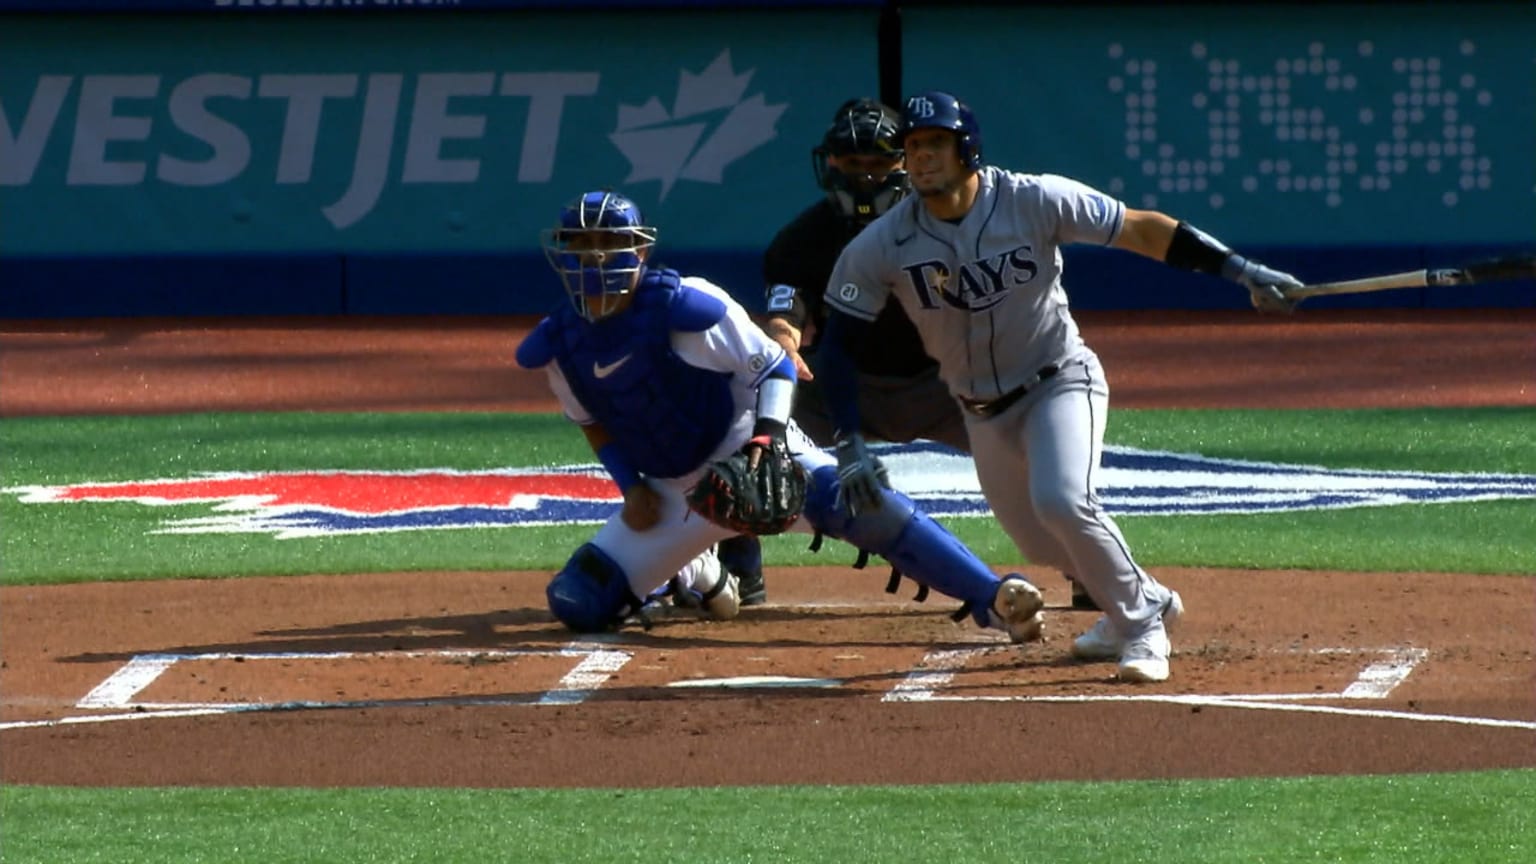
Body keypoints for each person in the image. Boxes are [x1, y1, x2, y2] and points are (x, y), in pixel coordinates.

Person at [816, 91, 1305, 683]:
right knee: (1042, 545)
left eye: (935, 144)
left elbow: (1142, 230)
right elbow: (838, 346)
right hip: (979, 410)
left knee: (1063, 500)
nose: (921, 159)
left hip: (1058, 380)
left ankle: (1142, 624)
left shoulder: (1033, 199)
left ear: (966, 147)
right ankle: (1144, 600)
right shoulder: (882, 244)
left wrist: (1239, 271)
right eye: (914, 147)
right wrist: (848, 438)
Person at [515, 188, 1047, 642]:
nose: (596, 260)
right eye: (582, 246)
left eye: (611, 245)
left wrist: (766, 443)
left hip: (751, 447)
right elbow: (593, 423)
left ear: (641, 252)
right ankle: (697, 574)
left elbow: (776, 368)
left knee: (865, 505)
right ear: (561, 255)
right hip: (673, 490)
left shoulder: (690, 306)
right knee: (578, 601)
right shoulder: (560, 346)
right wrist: (632, 487)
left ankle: (993, 596)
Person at [717, 97, 1099, 612]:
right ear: (830, 165)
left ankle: (1087, 571)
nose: (865, 178)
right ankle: (738, 569)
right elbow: (788, 311)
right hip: (845, 391)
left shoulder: (951, 225)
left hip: (951, 387)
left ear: (904, 164)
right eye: (853, 164)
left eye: (877, 164)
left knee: (1042, 460)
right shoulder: (801, 240)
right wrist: (782, 338)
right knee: (739, 420)